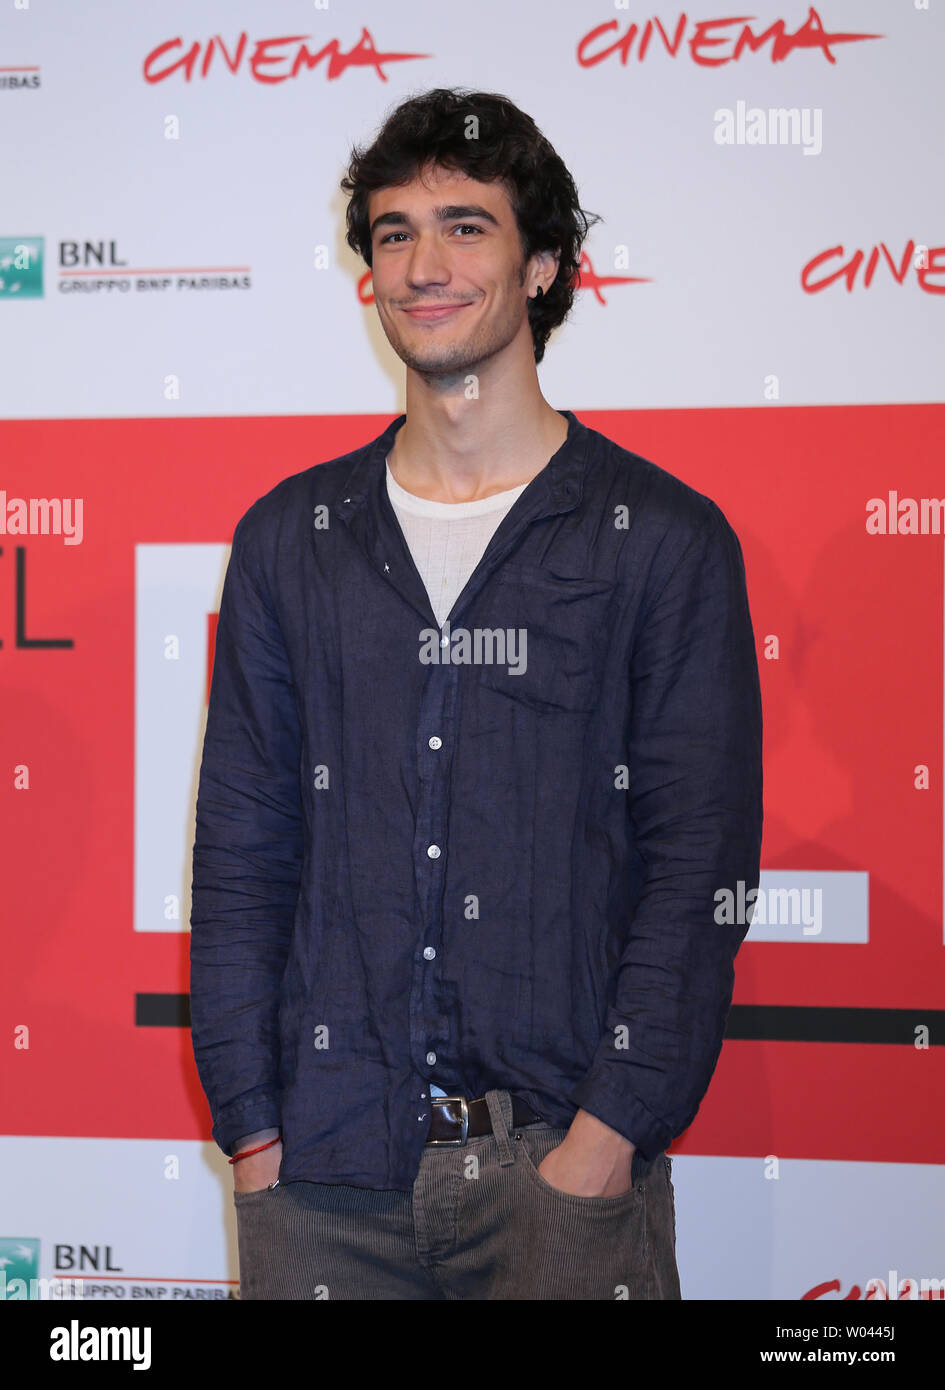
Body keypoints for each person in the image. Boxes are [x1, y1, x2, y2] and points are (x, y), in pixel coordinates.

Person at [189, 87, 763, 1301]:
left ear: (543, 265)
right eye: (394, 233)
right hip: (322, 1188)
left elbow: (697, 870)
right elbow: (243, 857)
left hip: (561, 1182)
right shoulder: (290, 541)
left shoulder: (660, 541)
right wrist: (253, 1139)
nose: (423, 265)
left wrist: (603, 1148)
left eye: (465, 226)